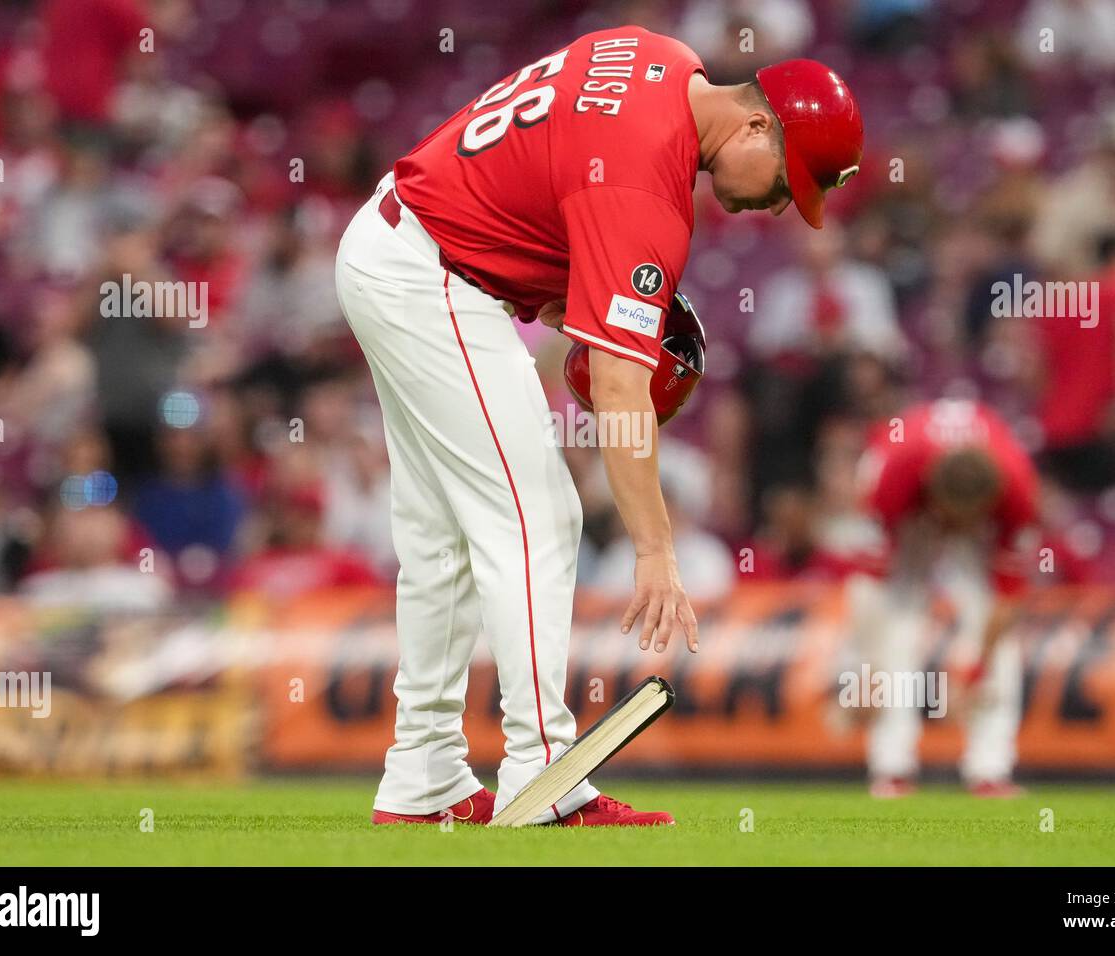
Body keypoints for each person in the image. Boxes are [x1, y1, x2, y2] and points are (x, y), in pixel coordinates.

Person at [334, 25, 862, 826]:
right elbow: (620, 388)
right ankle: (541, 770)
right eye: (792, 178)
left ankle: (424, 776)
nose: (785, 200)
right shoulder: (645, 191)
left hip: (399, 241)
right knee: (539, 517)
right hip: (431, 276)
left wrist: (551, 258)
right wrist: (654, 548)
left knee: (441, 535)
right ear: (758, 125)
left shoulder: (656, 51)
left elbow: (557, 153)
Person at [847, 399, 1038, 798]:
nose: (954, 529)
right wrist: (865, 670)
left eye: (964, 521)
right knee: (898, 634)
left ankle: (990, 769)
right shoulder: (892, 477)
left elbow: (1009, 600)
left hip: (964, 496)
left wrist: (978, 665)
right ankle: (892, 768)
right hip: (906, 500)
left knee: (1000, 646)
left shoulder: (1017, 485)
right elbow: (869, 588)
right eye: (951, 518)